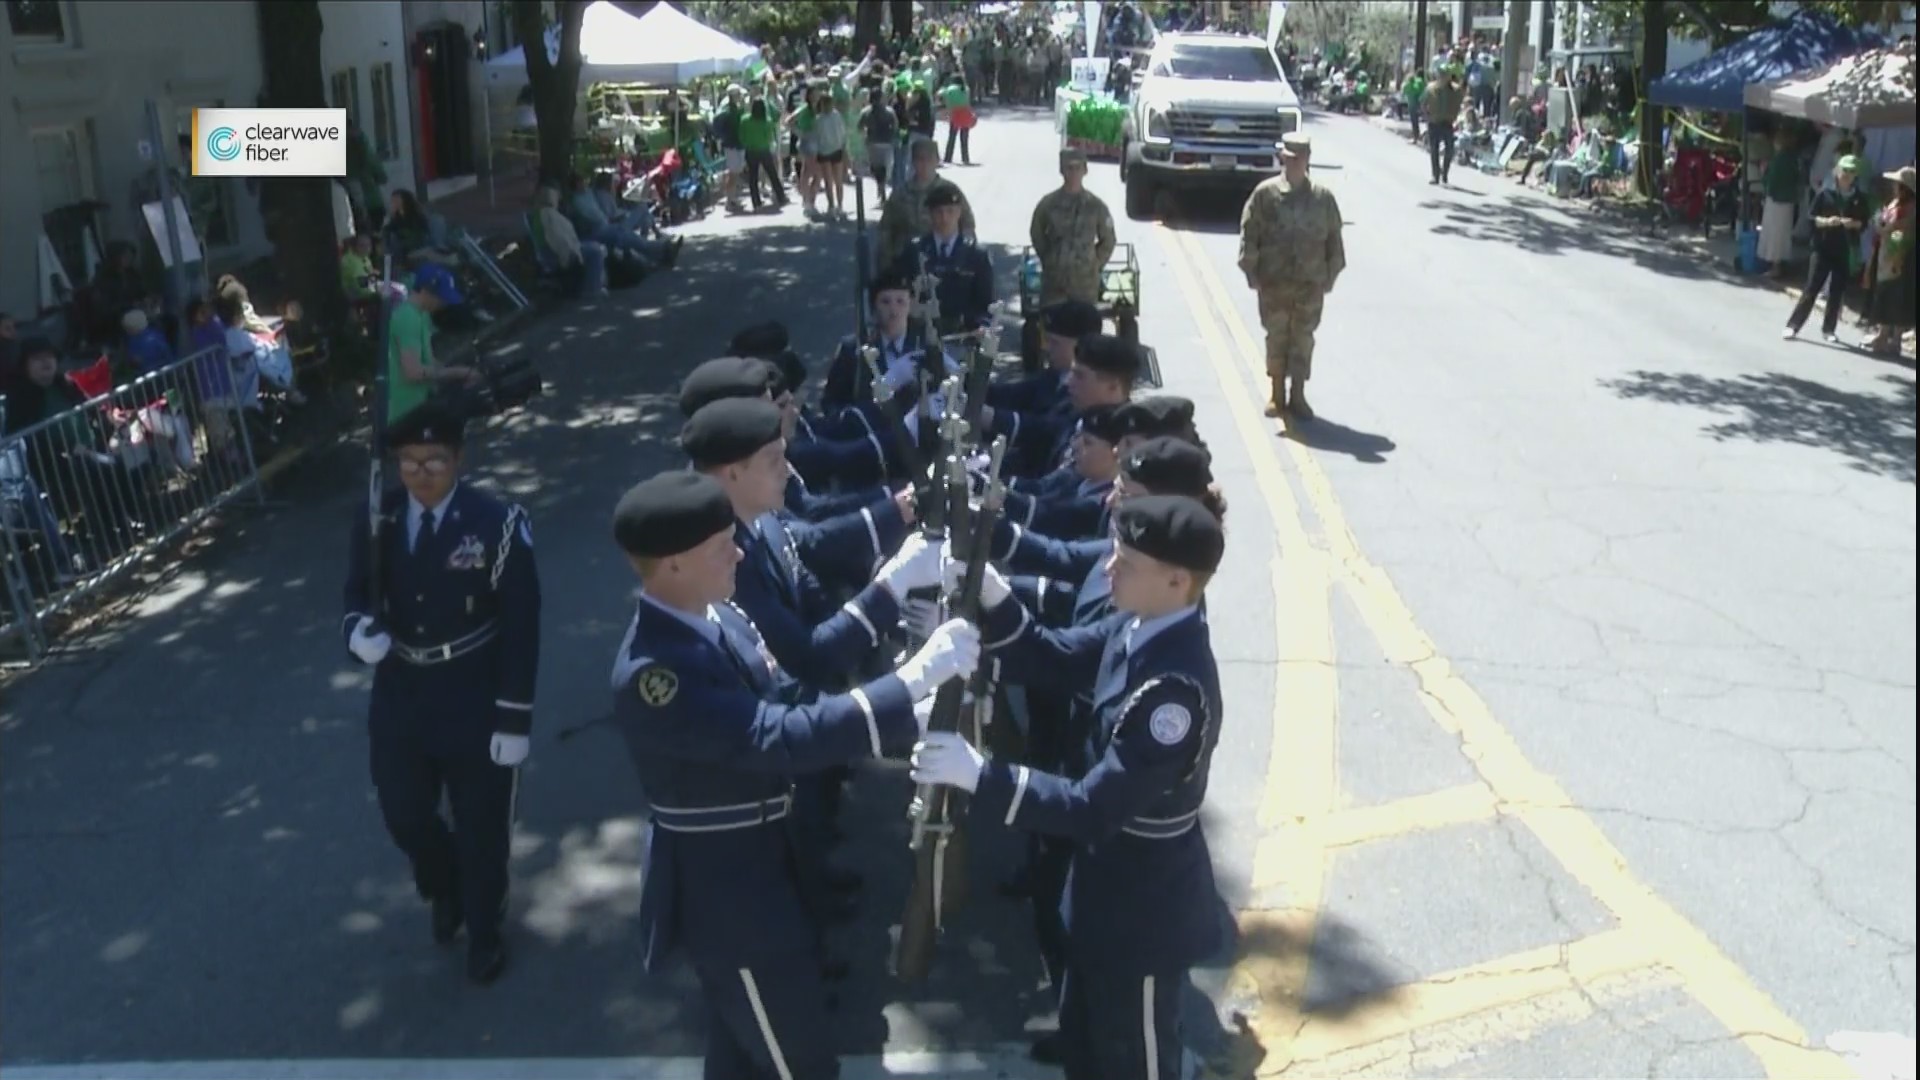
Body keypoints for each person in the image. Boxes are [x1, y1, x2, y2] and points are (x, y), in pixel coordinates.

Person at [607, 470, 979, 1080]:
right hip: (729, 894)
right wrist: (908, 683)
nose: (737, 551)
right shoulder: (656, 672)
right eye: (720, 545)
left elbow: (787, 701)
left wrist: (903, 716)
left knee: (741, 1051)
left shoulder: (716, 618)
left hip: (766, 860)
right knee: (798, 1059)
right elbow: (768, 737)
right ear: (671, 565)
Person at [912, 493, 1227, 1080]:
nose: (1109, 569)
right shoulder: (1139, 625)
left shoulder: (1172, 692)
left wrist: (981, 775)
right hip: (1101, 895)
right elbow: (1054, 658)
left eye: (1126, 562)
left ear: (1178, 581)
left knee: (1136, 1060)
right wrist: (990, 595)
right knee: (1086, 1048)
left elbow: (1091, 807)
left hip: (1143, 911)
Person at [340, 401, 540, 985]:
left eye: (433, 461)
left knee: (481, 825)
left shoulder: (497, 524)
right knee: (404, 813)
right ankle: (443, 882)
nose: (420, 473)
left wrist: (514, 719)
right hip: (402, 690)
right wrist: (358, 633)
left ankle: (483, 928)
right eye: (408, 461)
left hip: (473, 692)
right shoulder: (377, 517)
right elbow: (355, 593)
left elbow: (522, 627)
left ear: (459, 459)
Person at [1237, 132, 1345, 421]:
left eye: (1300, 159)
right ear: (1282, 159)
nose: (1294, 164)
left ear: (1307, 160)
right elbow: (1250, 233)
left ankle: (1298, 394)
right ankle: (1276, 393)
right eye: (1289, 159)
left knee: (1303, 339)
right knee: (1276, 337)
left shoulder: (1323, 199)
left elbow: (1335, 241)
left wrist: (1329, 277)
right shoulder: (1265, 195)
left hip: (1309, 285)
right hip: (1274, 283)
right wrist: (1251, 271)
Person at [1784, 155, 1870, 344]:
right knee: (1811, 287)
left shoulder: (1859, 198)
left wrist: (1852, 224)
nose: (1847, 175)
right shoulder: (1825, 194)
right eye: (1844, 171)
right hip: (1822, 247)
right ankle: (1793, 325)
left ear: (1856, 175)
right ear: (1836, 171)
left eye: (1851, 172)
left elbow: (1863, 223)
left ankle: (1829, 329)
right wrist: (1826, 222)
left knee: (1837, 291)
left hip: (1845, 248)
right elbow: (1811, 217)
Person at [386, 264, 482, 424]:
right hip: (407, 412)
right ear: (425, 291)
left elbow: (428, 362)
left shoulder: (422, 316)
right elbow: (413, 372)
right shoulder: (407, 318)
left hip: (423, 403)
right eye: (441, 296)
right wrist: (458, 372)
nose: (444, 303)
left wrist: (458, 371)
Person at [895, 184, 995, 335]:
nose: (944, 218)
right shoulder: (915, 251)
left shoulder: (976, 255)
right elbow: (900, 293)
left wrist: (981, 326)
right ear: (930, 214)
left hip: (964, 335)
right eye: (939, 212)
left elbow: (987, 304)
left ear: (959, 213)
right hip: (922, 333)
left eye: (950, 211)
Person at [1030, 148, 1118, 309]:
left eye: (1078, 168)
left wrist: (1094, 263)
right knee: (1052, 329)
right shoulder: (1048, 204)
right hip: (1055, 284)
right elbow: (1036, 233)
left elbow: (1108, 240)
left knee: (1085, 330)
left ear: (1085, 170)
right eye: (1069, 168)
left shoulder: (1095, 206)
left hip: (1085, 285)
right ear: (1061, 170)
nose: (1074, 173)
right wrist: (1049, 259)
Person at [1864, 165, 1915, 355]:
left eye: (1898, 184)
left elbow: (1900, 227)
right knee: (1885, 292)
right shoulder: (1895, 202)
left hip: (1901, 255)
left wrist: (1886, 228)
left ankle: (1893, 338)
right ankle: (1884, 334)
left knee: (1898, 295)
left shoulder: (1912, 208)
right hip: (1886, 253)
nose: (1894, 186)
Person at [1758, 130, 1803, 280]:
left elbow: (1771, 181)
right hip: (1788, 201)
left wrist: (1764, 172)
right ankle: (1780, 263)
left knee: (1774, 233)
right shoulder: (1793, 159)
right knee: (1783, 233)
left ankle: (1775, 266)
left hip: (1776, 200)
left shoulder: (1778, 160)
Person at [1423, 64, 1465, 185]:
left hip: (1447, 123)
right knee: (1434, 150)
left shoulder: (1455, 90)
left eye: (1445, 74)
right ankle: (1435, 175)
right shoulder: (1430, 89)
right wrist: (1427, 116)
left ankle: (1445, 172)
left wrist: (1455, 116)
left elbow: (1460, 103)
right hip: (1434, 122)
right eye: (1440, 74)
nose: (1442, 77)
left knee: (1449, 150)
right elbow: (1423, 103)